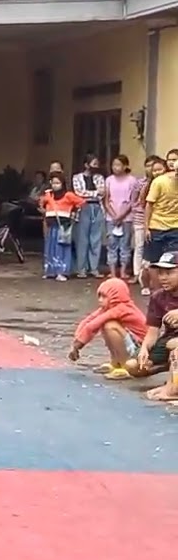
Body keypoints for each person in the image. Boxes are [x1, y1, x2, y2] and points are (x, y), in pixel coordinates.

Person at [68, 278, 146, 380]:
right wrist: (76, 341)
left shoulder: (122, 308)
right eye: (99, 296)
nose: (100, 300)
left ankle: (124, 366)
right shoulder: (109, 308)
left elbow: (92, 326)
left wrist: (77, 346)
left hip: (142, 348)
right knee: (105, 324)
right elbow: (88, 321)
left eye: (104, 297)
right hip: (133, 342)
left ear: (115, 297)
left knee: (110, 326)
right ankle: (116, 362)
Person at [128, 252, 178, 399]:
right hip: (168, 339)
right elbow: (152, 331)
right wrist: (144, 349)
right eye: (160, 273)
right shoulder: (158, 297)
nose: (163, 277)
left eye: (169, 273)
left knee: (175, 346)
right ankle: (169, 369)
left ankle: (172, 389)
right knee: (134, 366)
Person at [143, 153, 178, 293]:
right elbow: (149, 205)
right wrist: (146, 228)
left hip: (175, 228)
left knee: (173, 261)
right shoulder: (159, 182)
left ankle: (171, 292)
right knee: (154, 262)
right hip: (156, 227)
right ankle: (158, 293)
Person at [39, 171, 83, 281]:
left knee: (62, 248)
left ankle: (62, 272)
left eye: (58, 183)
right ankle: (50, 271)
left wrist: (73, 211)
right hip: (51, 225)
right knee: (50, 248)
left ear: (62, 184)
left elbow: (81, 202)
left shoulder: (68, 195)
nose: (55, 185)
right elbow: (41, 203)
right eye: (53, 183)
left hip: (63, 226)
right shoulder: (49, 195)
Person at [103, 154, 140, 281]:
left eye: (118, 165)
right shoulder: (109, 180)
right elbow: (106, 200)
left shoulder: (132, 180)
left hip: (127, 218)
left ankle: (123, 271)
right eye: (113, 165)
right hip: (111, 217)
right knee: (111, 244)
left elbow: (132, 201)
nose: (115, 167)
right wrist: (114, 215)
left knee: (125, 245)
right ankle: (112, 272)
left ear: (125, 166)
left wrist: (121, 216)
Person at [71, 153, 106, 278]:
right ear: (86, 165)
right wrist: (95, 193)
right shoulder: (77, 177)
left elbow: (103, 193)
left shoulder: (100, 177)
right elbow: (79, 192)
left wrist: (93, 193)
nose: (96, 166)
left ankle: (94, 268)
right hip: (83, 207)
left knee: (95, 239)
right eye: (94, 163)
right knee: (82, 239)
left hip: (97, 207)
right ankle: (81, 268)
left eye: (97, 164)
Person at [134, 156, 163, 294]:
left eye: (159, 169)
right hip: (151, 224)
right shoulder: (147, 185)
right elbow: (142, 203)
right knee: (148, 260)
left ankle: (159, 287)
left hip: (165, 225)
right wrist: (146, 226)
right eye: (154, 169)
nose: (156, 172)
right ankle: (145, 283)